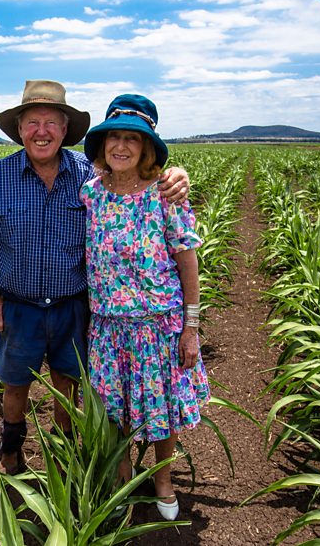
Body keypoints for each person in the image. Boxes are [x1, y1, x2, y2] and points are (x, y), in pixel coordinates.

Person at [0, 80, 190, 487]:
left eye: (51, 122)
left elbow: (138, 180)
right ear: (19, 129)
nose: (42, 131)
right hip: (18, 303)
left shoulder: (90, 176)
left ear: (65, 129)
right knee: (15, 383)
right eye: (32, 121)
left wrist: (175, 173)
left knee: (67, 385)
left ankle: (64, 455)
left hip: (74, 304)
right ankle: (12, 452)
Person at [79, 94, 210, 521]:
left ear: (147, 148)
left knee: (162, 411)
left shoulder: (166, 195)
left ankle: (162, 479)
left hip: (157, 327)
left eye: (132, 139)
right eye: (113, 137)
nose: (121, 146)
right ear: (101, 145)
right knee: (113, 411)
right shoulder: (91, 193)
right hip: (107, 327)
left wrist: (191, 327)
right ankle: (120, 479)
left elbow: (187, 260)